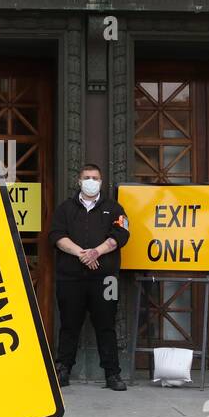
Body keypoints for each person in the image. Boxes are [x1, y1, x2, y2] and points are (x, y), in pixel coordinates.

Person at [48, 164, 131, 391]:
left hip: (107, 280)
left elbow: (122, 234)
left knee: (107, 324)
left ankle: (112, 374)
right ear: (79, 181)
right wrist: (82, 254)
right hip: (70, 279)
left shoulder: (115, 208)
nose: (91, 181)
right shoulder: (65, 209)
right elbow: (56, 235)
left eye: (95, 177)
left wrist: (97, 252)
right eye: (87, 177)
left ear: (101, 182)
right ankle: (63, 369)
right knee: (69, 324)